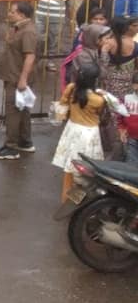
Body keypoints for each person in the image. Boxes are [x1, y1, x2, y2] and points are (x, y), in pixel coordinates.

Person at [51, 59, 106, 202]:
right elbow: (101, 113)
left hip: (72, 130)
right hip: (89, 135)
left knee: (69, 169)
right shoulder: (99, 99)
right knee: (87, 171)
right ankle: (81, 201)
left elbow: (62, 103)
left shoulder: (71, 89)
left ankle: (65, 200)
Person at [0, 1, 38, 161]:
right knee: (22, 109)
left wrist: (23, 79)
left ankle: (11, 147)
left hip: (17, 78)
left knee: (13, 112)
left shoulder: (28, 32)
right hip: (13, 75)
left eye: (12, 12)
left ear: (22, 15)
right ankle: (25, 141)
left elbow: (30, 56)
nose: (9, 14)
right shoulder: (17, 28)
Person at [33, 0, 71, 68]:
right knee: (38, 38)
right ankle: (36, 58)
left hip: (57, 19)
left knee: (53, 40)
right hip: (41, 16)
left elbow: (69, 3)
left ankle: (50, 61)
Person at [120, 71, 138, 164]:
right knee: (131, 163)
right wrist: (122, 130)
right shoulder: (126, 98)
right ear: (134, 85)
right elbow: (120, 117)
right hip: (131, 137)